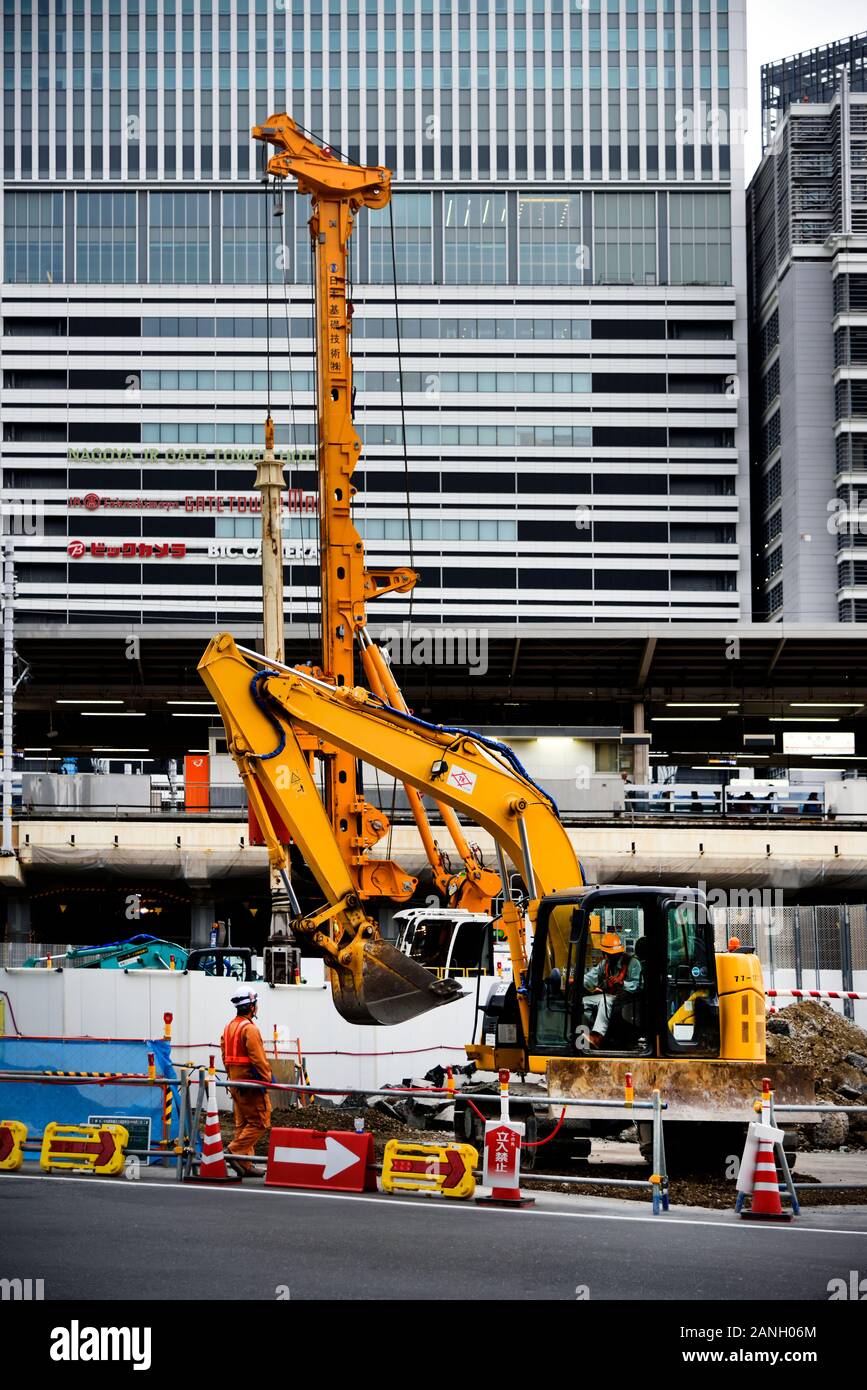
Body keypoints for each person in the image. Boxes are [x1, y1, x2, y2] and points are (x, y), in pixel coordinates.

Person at [221, 989, 273, 1176]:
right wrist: (267, 1080)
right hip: (250, 1085)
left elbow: (225, 1055)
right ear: (251, 1007)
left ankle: (246, 1165)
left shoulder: (229, 1027)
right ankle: (233, 1151)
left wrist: (232, 1076)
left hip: (235, 1084)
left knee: (243, 1125)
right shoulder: (249, 1029)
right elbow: (258, 1059)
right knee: (260, 1122)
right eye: (256, 1004)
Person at [583, 932, 643, 1048]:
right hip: (611, 996)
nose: (613, 957)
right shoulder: (604, 964)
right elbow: (590, 978)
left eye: (616, 954)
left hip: (627, 1000)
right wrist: (574, 981)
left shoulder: (633, 963)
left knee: (604, 1002)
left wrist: (622, 983)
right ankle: (588, 1033)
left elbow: (638, 985)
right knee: (584, 1002)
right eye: (610, 955)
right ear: (605, 954)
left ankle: (598, 1037)